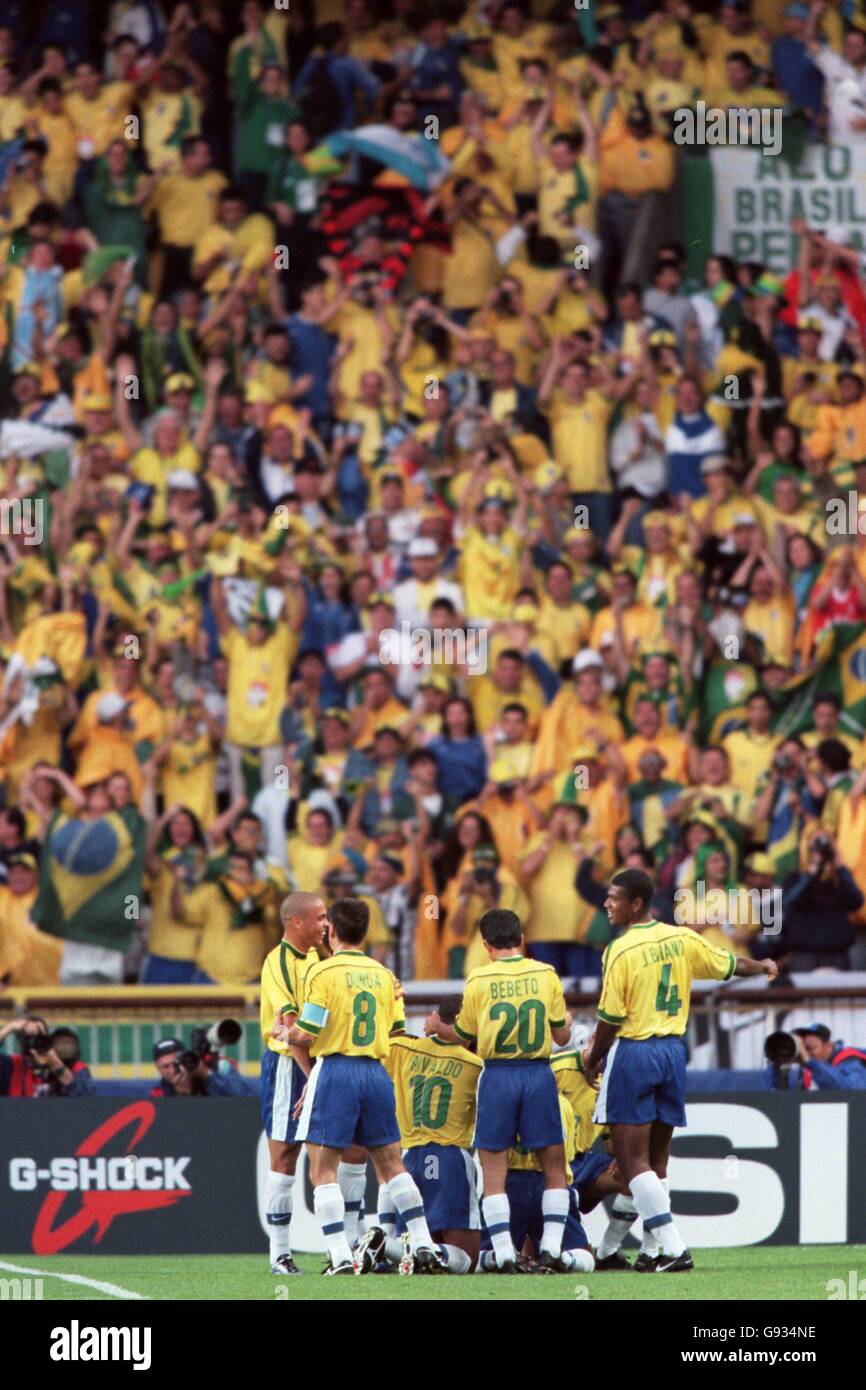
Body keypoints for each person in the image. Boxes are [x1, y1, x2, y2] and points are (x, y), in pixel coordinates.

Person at [581, 868, 778, 1272]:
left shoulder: (620, 950)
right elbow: (728, 964)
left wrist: (593, 1056)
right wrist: (762, 965)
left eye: (615, 897)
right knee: (658, 1161)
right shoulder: (682, 938)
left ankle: (674, 1248)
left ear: (636, 903)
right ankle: (647, 1251)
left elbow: (611, 1016)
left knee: (630, 1160)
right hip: (672, 1052)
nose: (607, 904)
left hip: (635, 1052)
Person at [282, 897, 445, 1275]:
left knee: (322, 1169)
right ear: (366, 932)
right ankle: (423, 1243)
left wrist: (285, 1033)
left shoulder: (322, 973)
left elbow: (307, 1032)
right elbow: (397, 1031)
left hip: (337, 1070)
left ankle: (341, 1256)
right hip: (375, 1072)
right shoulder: (385, 975)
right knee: (392, 1164)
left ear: (332, 931)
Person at [428, 907, 573, 1273]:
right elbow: (562, 1036)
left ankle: (505, 1253)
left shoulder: (478, 979)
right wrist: (567, 1022)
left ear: (486, 944)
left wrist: (438, 1029)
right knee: (554, 1167)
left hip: (497, 1075)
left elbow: (463, 1035)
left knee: (494, 1173)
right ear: (521, 939)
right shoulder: (546, 974)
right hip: (538, 1073)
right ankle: (551, 1249)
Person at [367, 994, 483, 1274]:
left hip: (410, 1162)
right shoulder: (476, 1066)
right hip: (449, 1159)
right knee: (468, 1259)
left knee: (421, 1249)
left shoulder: (402, 1049)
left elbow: (374, 1043)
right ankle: (387, 1246)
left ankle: (386, 1246)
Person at [258, 891, 329, 1275]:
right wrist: (312, 1076)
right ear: (296, 921)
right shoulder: (279, 961)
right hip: (290, 1065)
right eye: (320, 918)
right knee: (285, 1156)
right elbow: (287, 1026)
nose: (326, 924)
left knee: (333, 1153)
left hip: (319, 1063)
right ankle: (279, 1254)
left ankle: (342, 1251)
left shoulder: (318, 958)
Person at [0, 1017, 95, 1097]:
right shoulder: (12, 1065)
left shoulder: (75, 1067)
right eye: (28, 1038)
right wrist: (10, 1027)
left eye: (39, 1037)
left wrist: (55, 1063)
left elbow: (87, 1100)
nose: (34, 1043)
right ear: (21, 1043)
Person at [793, 1022, 866, 1090]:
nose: (805, 1053)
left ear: (828, 1046)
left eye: (810, 1048)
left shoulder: (850, 1062)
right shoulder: (803, 1070)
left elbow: (852, 1092)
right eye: (802, 1048)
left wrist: (810, 1061)